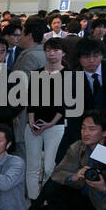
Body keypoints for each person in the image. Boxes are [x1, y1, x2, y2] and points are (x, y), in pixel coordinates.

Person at [24, 37, 69, 201]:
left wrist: (50, 123)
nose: (51, 54)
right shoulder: (37, 73)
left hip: (56, 125)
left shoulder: (70, 74)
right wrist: (31, 119)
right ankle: (33, 200)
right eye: (48, 50)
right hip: (34, 124)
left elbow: (66, 104)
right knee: (32, 166)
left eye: (56, 50)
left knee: (50, 166)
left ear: (63, 52)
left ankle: (47, 199)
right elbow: (31, 100)